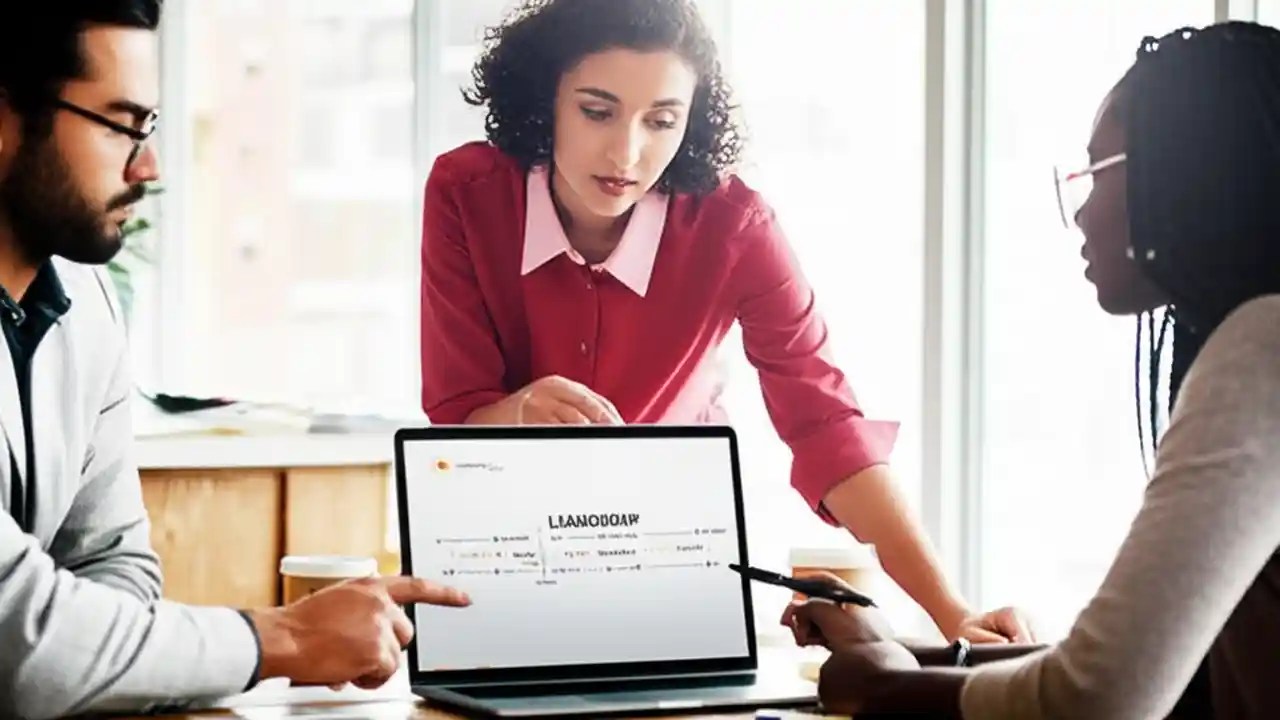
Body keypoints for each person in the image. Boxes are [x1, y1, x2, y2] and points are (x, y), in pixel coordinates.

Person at [419, 0, 1027, 647]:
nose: (627, 151)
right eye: (597, 111)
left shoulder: (736, 227)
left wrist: (951, 611)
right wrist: (517, 411)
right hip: (503, 565)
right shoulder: (465, 191)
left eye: (661, 121)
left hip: (669, 572)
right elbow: (460, 410)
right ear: (547, 98)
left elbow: (827, 428)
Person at [786, 21, 1280, 719]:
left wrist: (882, 686)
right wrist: (916, 651)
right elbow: (1162, 675)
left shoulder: (1264, 347)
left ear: (1187, 174)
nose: (1080, 211)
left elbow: (1098, 700)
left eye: (1097, 171)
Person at [0, 4, 469, 718]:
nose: (148, 164)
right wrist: (279, 638)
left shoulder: (87, 302)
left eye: (150, 128)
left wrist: (92, 661)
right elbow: (23, 640)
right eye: (121, 124)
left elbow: (112, 567)